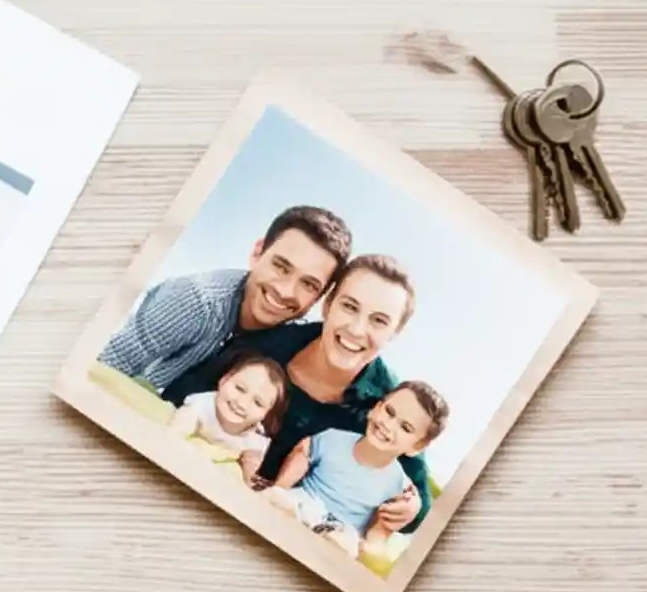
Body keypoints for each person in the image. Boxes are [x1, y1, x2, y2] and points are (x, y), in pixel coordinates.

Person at [161, 253, 433, 535]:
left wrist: (408, 509)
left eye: (379, 321)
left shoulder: (391, 404)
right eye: (349, 307)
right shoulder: (267, 348)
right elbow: (182, 392)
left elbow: (420, 506)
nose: (356, 329)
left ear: (394, 333)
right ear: (328, 305)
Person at [98, 205, 352, 390]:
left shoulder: (288, 343)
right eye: (281, 267)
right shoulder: (194, 301)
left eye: (308, 284)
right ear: (257, 252)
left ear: (319, 298)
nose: (286, 291)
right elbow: (105, 365)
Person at [262, 381, 450, 558]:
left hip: (342, 530)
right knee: (282, 500)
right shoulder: (333, 438)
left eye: (405, 427)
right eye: (389, 412)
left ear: (416, 447)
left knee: (346, 544)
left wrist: (373, 543)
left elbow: (381, 529)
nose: (388, 425)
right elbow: (303, 452)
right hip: (304, 502)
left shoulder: (399, 488)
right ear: (375, 408)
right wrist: (280, 486)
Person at [168, 349, 287, 479]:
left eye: (258, 403)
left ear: (266, 415)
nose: (242, 404)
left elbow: (251, 477)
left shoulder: (255, 437)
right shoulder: (202, 405)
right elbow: (173, 435)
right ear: (224, 380)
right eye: (240, 389)